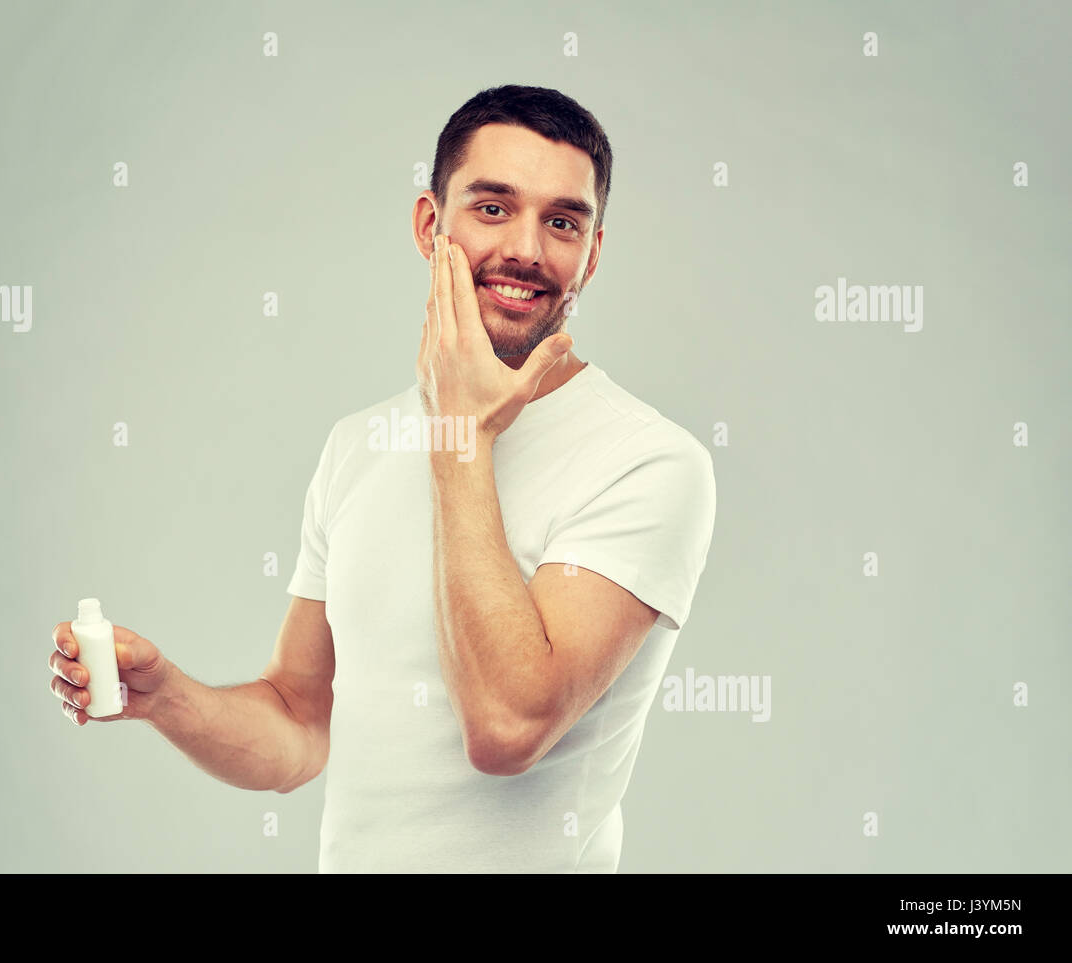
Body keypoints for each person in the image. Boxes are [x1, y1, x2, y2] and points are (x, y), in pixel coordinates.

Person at [49, 85, 716, 873]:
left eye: (562, 221)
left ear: (592, 255)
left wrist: (458, 432)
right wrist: (169, 698)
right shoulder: (356, 446)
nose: (529, 250)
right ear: (431, 226)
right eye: (493, 208)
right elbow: (299, 721)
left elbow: (506, 728)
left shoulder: (648, 461)